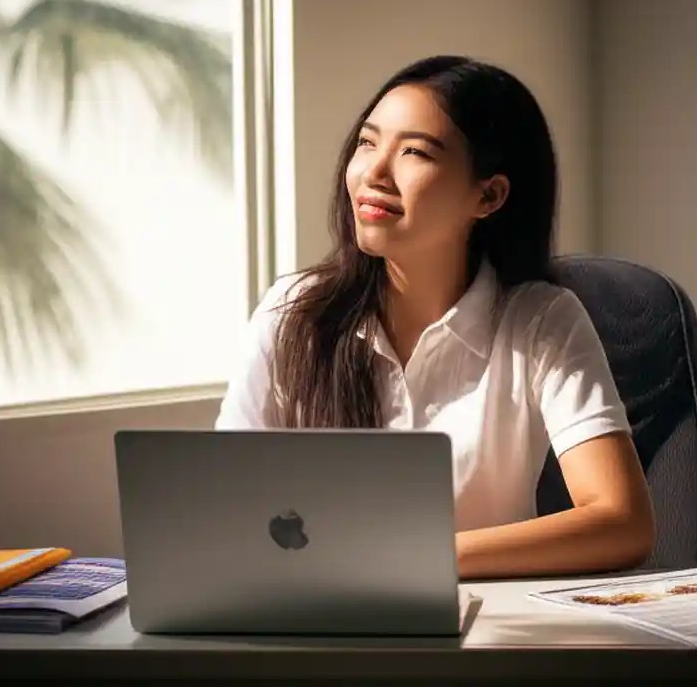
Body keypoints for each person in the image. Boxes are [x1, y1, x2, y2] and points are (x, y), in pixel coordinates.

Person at [215, 55, 655, 580]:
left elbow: (622, 521)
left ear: (487, 195)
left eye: (414, 152)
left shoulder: (540, 321)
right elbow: (223, 505)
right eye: (367, 142)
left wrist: (414, 558)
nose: (374, 173)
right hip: (316, 631)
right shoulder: (294, 312)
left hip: (483, 637)